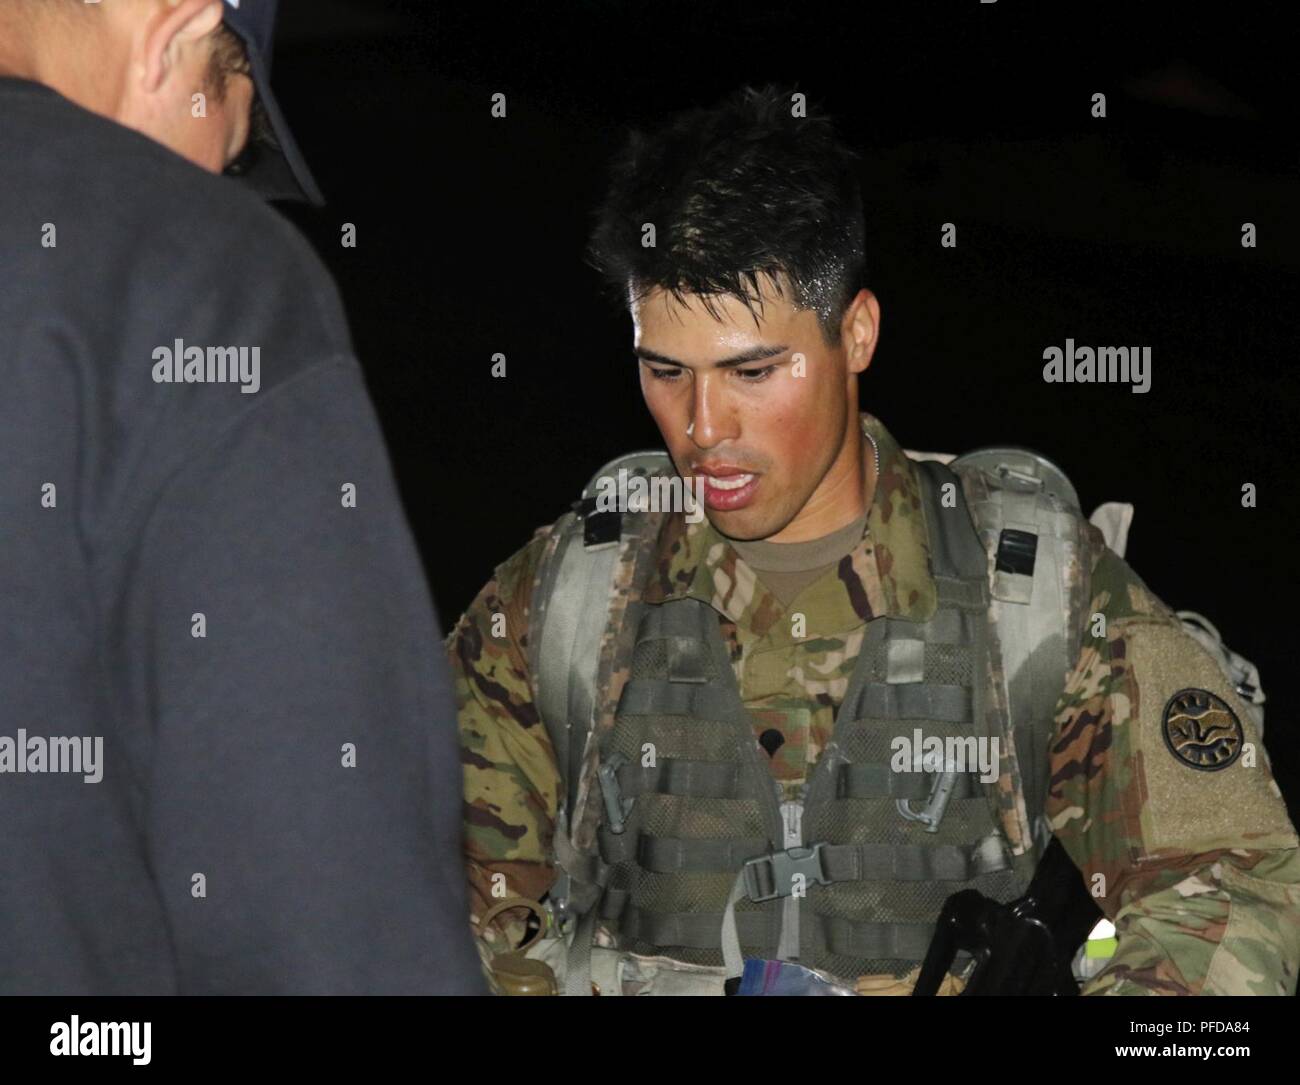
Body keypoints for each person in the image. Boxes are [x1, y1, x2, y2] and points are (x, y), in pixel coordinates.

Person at [450, 83, 1300, 995]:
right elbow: (415, 882)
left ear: (855, 334)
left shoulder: (1034, 595)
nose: (703, 426)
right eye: (665, 371)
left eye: (753, 370)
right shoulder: (569, 597)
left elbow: (1232, 888)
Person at [0, 0, 483, 994]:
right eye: (222, 155)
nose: (213, 192)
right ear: (175, 28)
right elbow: (327, 914)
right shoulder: (194, 277)